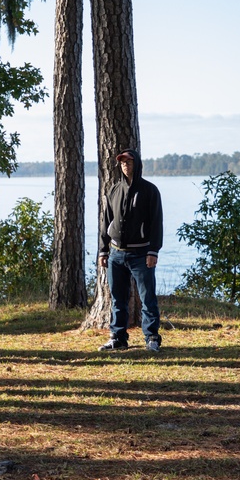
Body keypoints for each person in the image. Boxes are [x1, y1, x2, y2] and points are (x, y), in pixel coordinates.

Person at [97, 148, 164, 352]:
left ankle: (151, 337)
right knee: (118, 298)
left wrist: (153, 251)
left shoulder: (149, 191)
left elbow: (156, 223)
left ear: (137, 164)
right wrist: (103, 250)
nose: (126, 165)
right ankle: (118, 338)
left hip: (141, 254)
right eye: (123, 162)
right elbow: (106, 221)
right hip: (116, 254)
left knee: (147, 298)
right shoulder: (114, 190)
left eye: (129, 161)